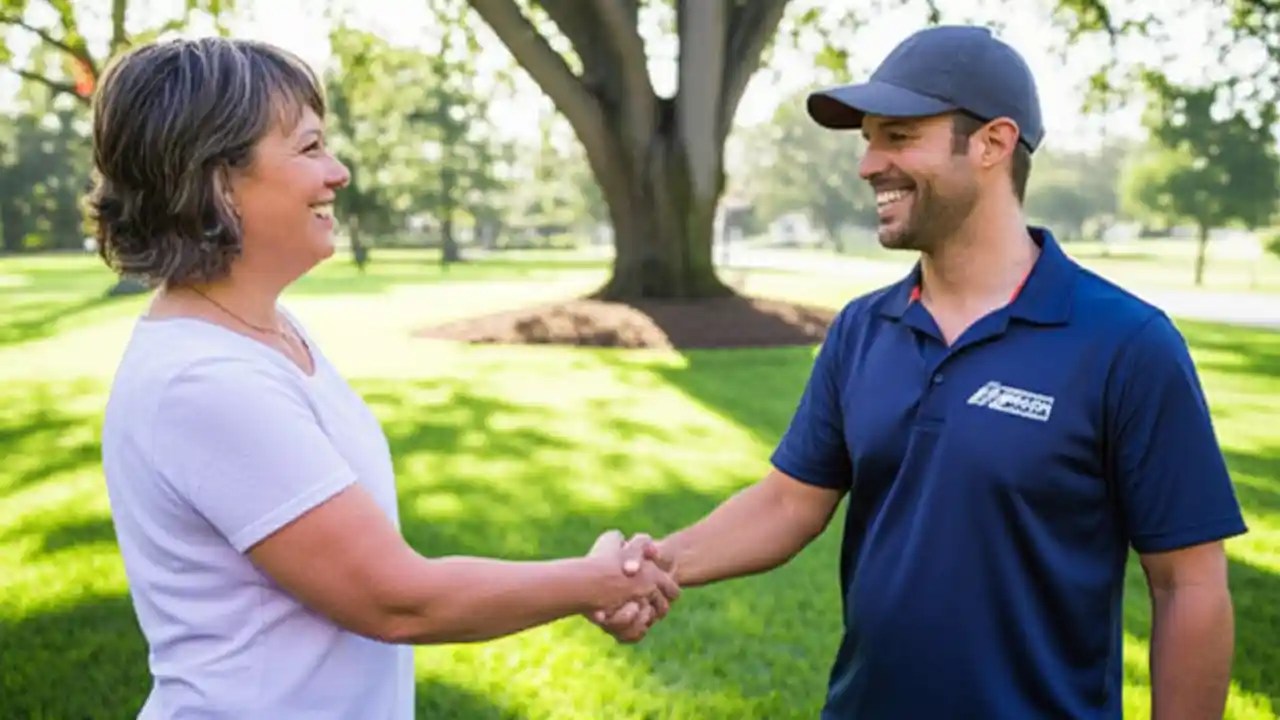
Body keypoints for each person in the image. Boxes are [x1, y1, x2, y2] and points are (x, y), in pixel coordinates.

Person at [591, 25, 1247, 719]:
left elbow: (1190, 587)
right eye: (868, 139)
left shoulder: (1125, 343)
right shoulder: (862, 328)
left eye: (898, 137)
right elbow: (789, 503)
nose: (868, 165)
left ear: (993, 143)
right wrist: (655, 567)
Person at [93, 37, 677, 719]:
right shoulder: (204, 383)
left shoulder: (269, 332)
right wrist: (595, 582)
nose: (337, 173)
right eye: (310, 149)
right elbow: (397, 598)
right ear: (217, 179)